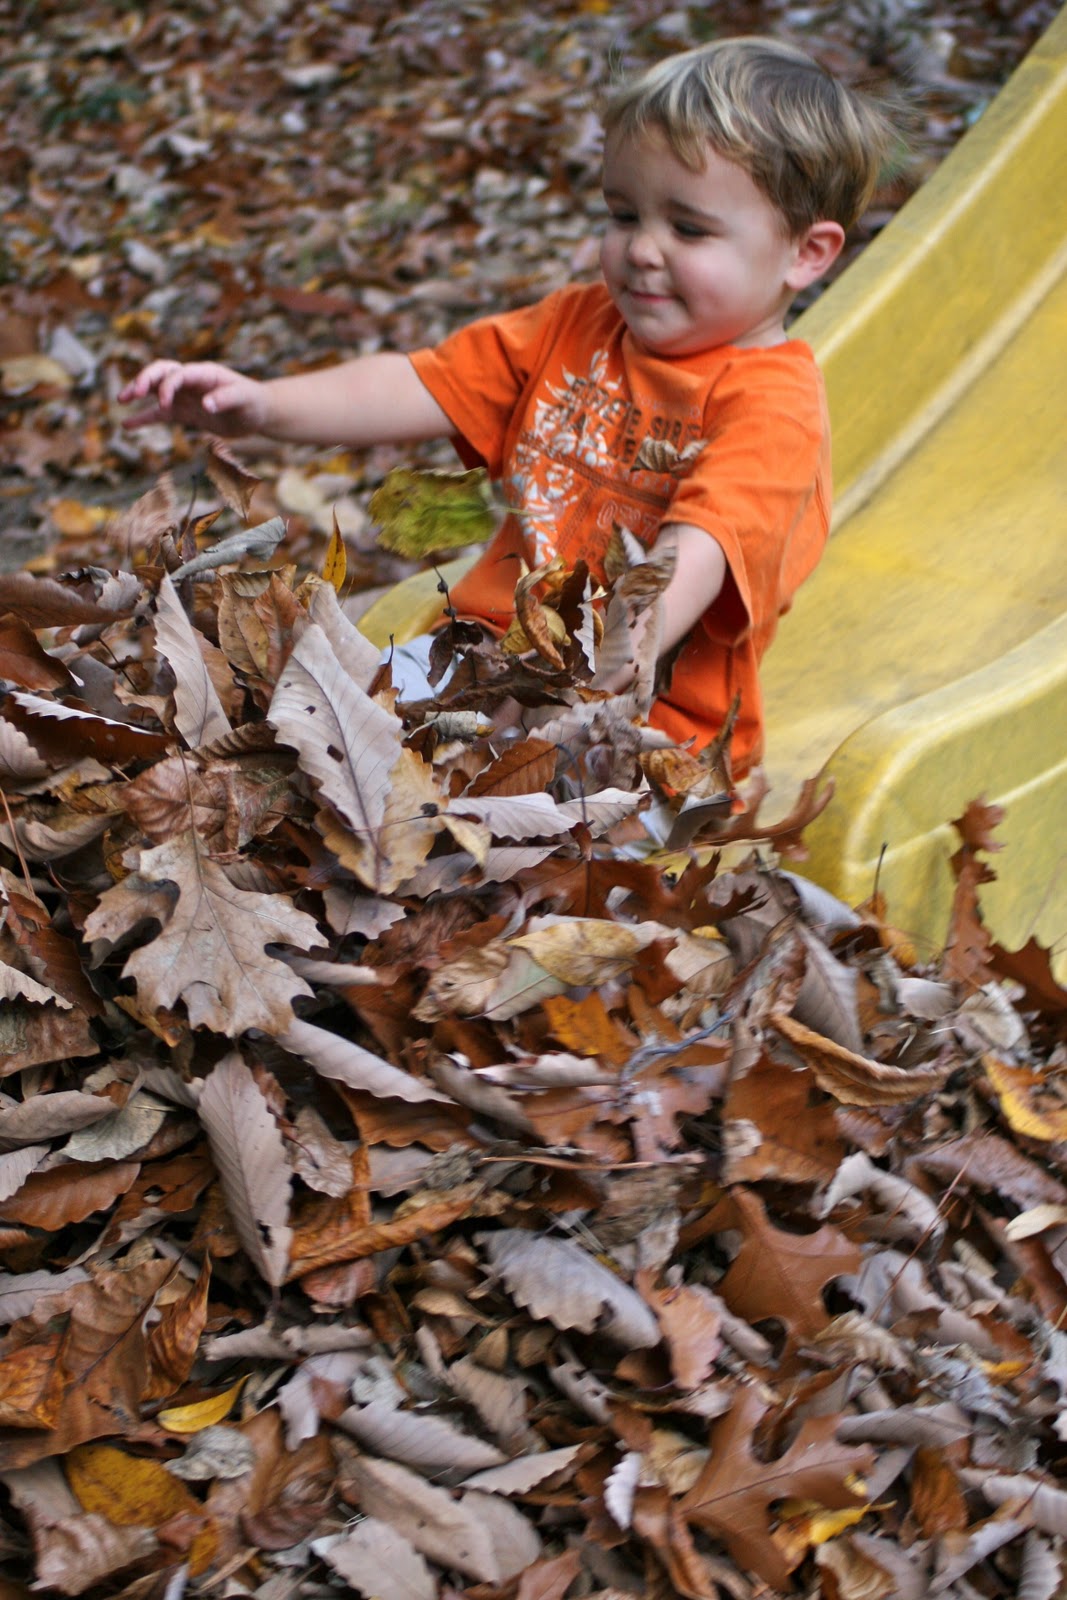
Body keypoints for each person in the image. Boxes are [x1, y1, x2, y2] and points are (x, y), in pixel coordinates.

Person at [120, 36, 895, 776]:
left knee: (494, 837)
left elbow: (684, 566)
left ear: (806, 253)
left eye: (687, 228)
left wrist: (573, 695)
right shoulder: (577, 323)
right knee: (296, 724)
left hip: (644, 722)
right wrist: (261, 408)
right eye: (624, 215)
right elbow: (419, 384)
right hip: (480, 654)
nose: (642, 249)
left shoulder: (771, 409)